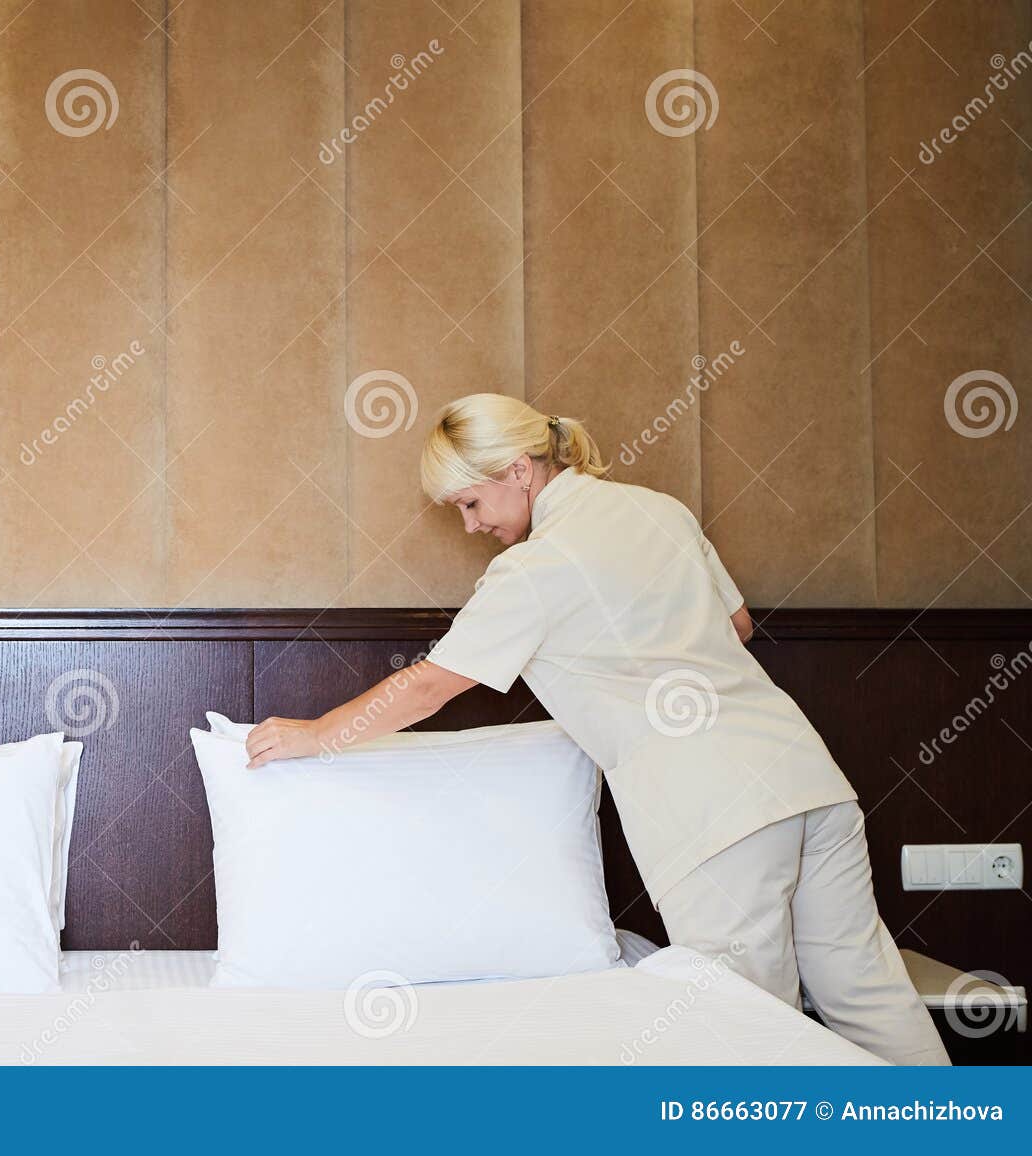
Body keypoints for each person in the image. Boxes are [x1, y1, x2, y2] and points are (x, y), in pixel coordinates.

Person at [244, 392, 949, 1065]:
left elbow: (430, 686)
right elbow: (736, 626)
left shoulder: (534, 569)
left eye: (469, 502)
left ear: (518, 472)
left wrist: (315, 734)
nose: (469, 525)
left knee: (748, 1024)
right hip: (806, 777)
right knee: (867, 989)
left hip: (716, 816)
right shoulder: (659, 510)